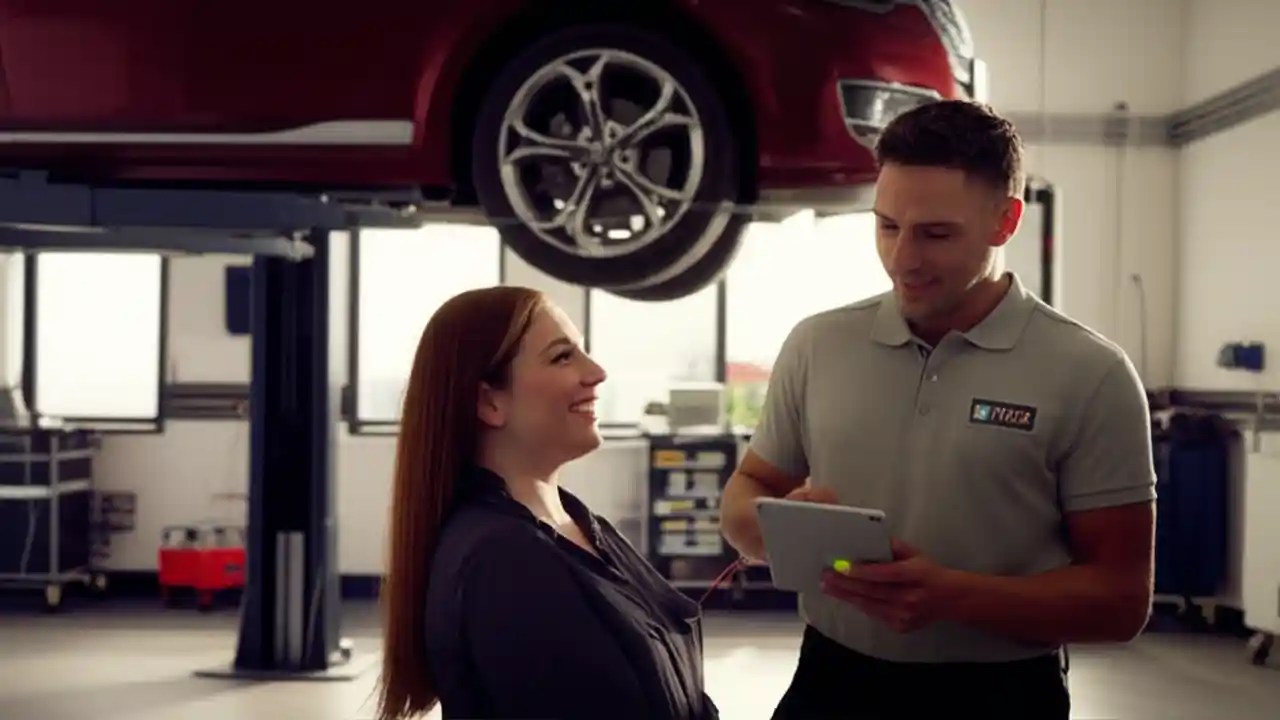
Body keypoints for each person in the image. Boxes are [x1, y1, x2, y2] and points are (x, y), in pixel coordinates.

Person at [719, 100, 1157, 719]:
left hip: (1000, 696)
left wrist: (954, 597)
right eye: (887, 226)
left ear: (1005, 221)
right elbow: (749, 490)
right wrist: (777, 529)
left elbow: (1120, 600)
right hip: (830, 679)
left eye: (936, 234)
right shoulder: (818, 344)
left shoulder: (1092, 374)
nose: (903, 258)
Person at [375, 285, 719, 720]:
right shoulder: (503, 560)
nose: (596, 372)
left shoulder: (579, 524)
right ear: (489, 401)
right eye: (562, 357)